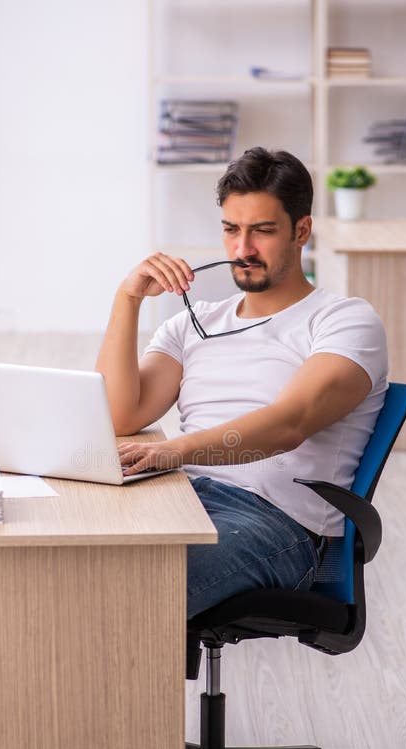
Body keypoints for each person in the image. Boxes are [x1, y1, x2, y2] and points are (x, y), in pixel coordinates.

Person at [96, 147, 388, 619]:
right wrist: (127, 299)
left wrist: (177, 450)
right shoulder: (192, 323)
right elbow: (118, 414)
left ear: (302, 232)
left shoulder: (345, 321)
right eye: (232, 230)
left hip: (275, 522)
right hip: (179, 494)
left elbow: (289, 423)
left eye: (263, 231)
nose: (242, 249)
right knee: (67, 565)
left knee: (129, 603)